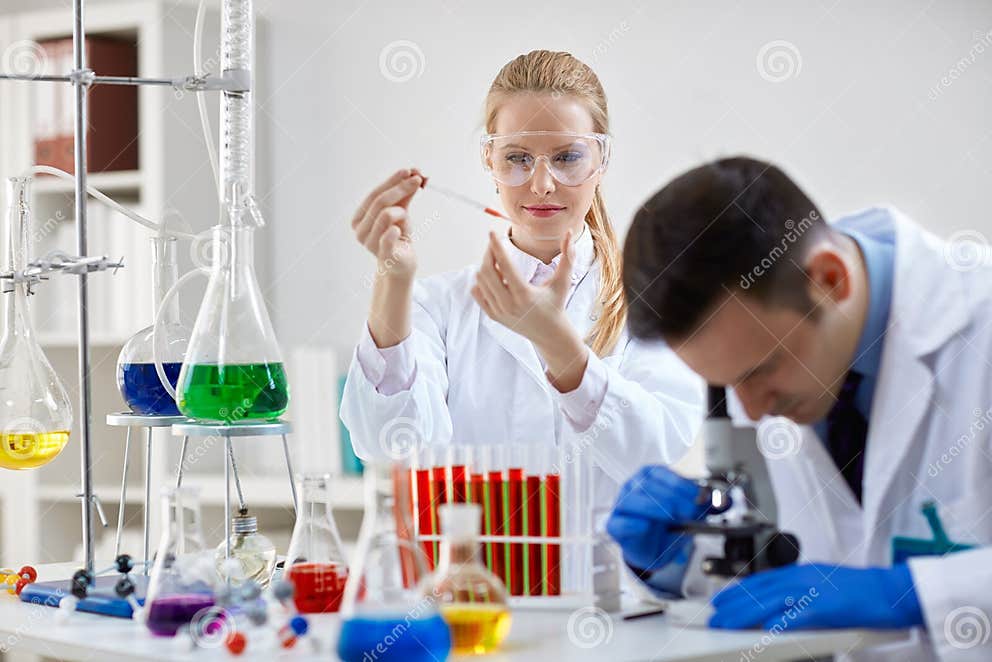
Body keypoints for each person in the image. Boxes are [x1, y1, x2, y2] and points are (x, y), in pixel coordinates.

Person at [609, 156, 992, 661]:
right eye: (723, 383)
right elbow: (791, 578)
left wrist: (913, 593)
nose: (752, 408)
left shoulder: (977, 329)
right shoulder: (766, 341)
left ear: (831, 280)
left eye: (758, 371)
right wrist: (679, 562)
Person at [339, 50, 703, 508]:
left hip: (600, 577)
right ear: (489, 160)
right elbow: (390, 447)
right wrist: (392, 281)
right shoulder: (438, 305)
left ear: (601, 159)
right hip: (475, 579)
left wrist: (562, 350)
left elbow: (656, 454)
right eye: (517, 158)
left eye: (568, 156)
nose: (542, 184)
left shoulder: (652, 299)